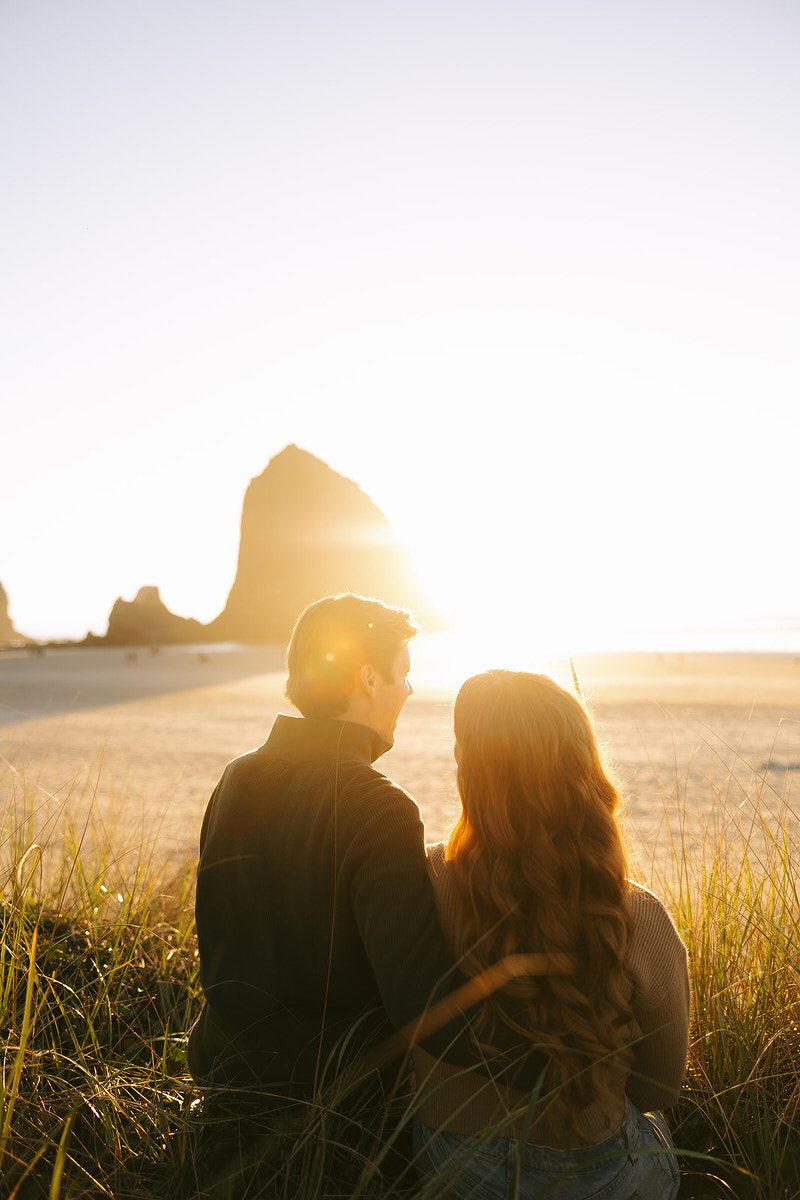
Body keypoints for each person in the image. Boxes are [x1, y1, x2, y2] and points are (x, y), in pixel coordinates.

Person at [188, 593, 500, 1186]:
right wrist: (540, 1057)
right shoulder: (378, 807)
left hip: (225, 1092)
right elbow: (425, 1009)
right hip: (337, 1122)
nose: (408, 691)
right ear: (366, 677)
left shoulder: (236, 778)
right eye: (402, 675)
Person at [413, 670, 689, 1200]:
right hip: (599, 1169)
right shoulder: (637, 914)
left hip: (457, 1165)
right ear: (584, 770)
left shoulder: (424, 882)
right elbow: (660, 1085)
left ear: (470, 771)